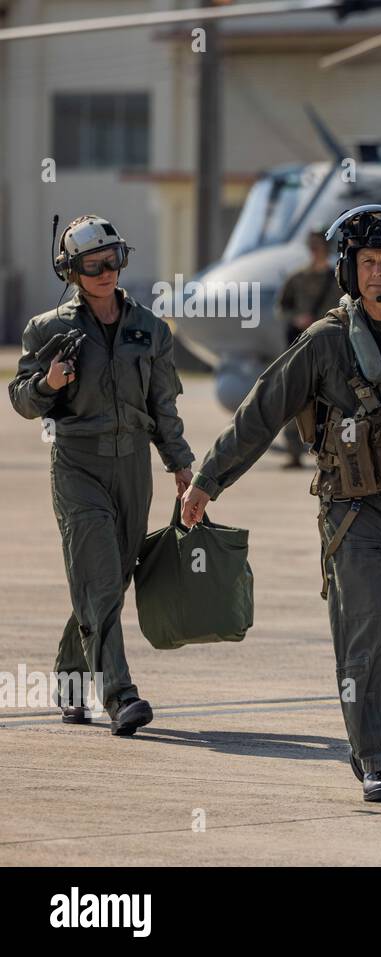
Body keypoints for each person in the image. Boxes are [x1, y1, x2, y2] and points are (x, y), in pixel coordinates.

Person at [178, 205, 381, 802]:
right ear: (350, 270)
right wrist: (208, 481)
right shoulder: (325, 343)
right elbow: (261, 412)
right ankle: (374, 753)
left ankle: (370, 712)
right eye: (367, 262)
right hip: (352, 514)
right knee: (366, 635)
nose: (378, 272)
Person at [8, 214, 194, 734]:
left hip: (133, 465)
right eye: (92, 267)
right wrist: (47, 384)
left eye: (111, 263)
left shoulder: (150, 329)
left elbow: (164, 406)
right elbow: (21, 401)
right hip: (77, 464)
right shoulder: (48, 329)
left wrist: (181, 464)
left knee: (106, 583)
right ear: (70, 271)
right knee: (99, 577)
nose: (105, 273)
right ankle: (120, 694)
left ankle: (70, 682)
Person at [274, 229, 336, 468]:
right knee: (295, 397)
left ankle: (329, 451)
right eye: (312, 245)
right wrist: (297, 318)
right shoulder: (297, 278)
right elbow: (281, 308)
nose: (315, 250)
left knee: (331, 400)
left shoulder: (338, 280)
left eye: (319, 245)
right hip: (301, 347)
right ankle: (294, 451)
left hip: (330, 348)